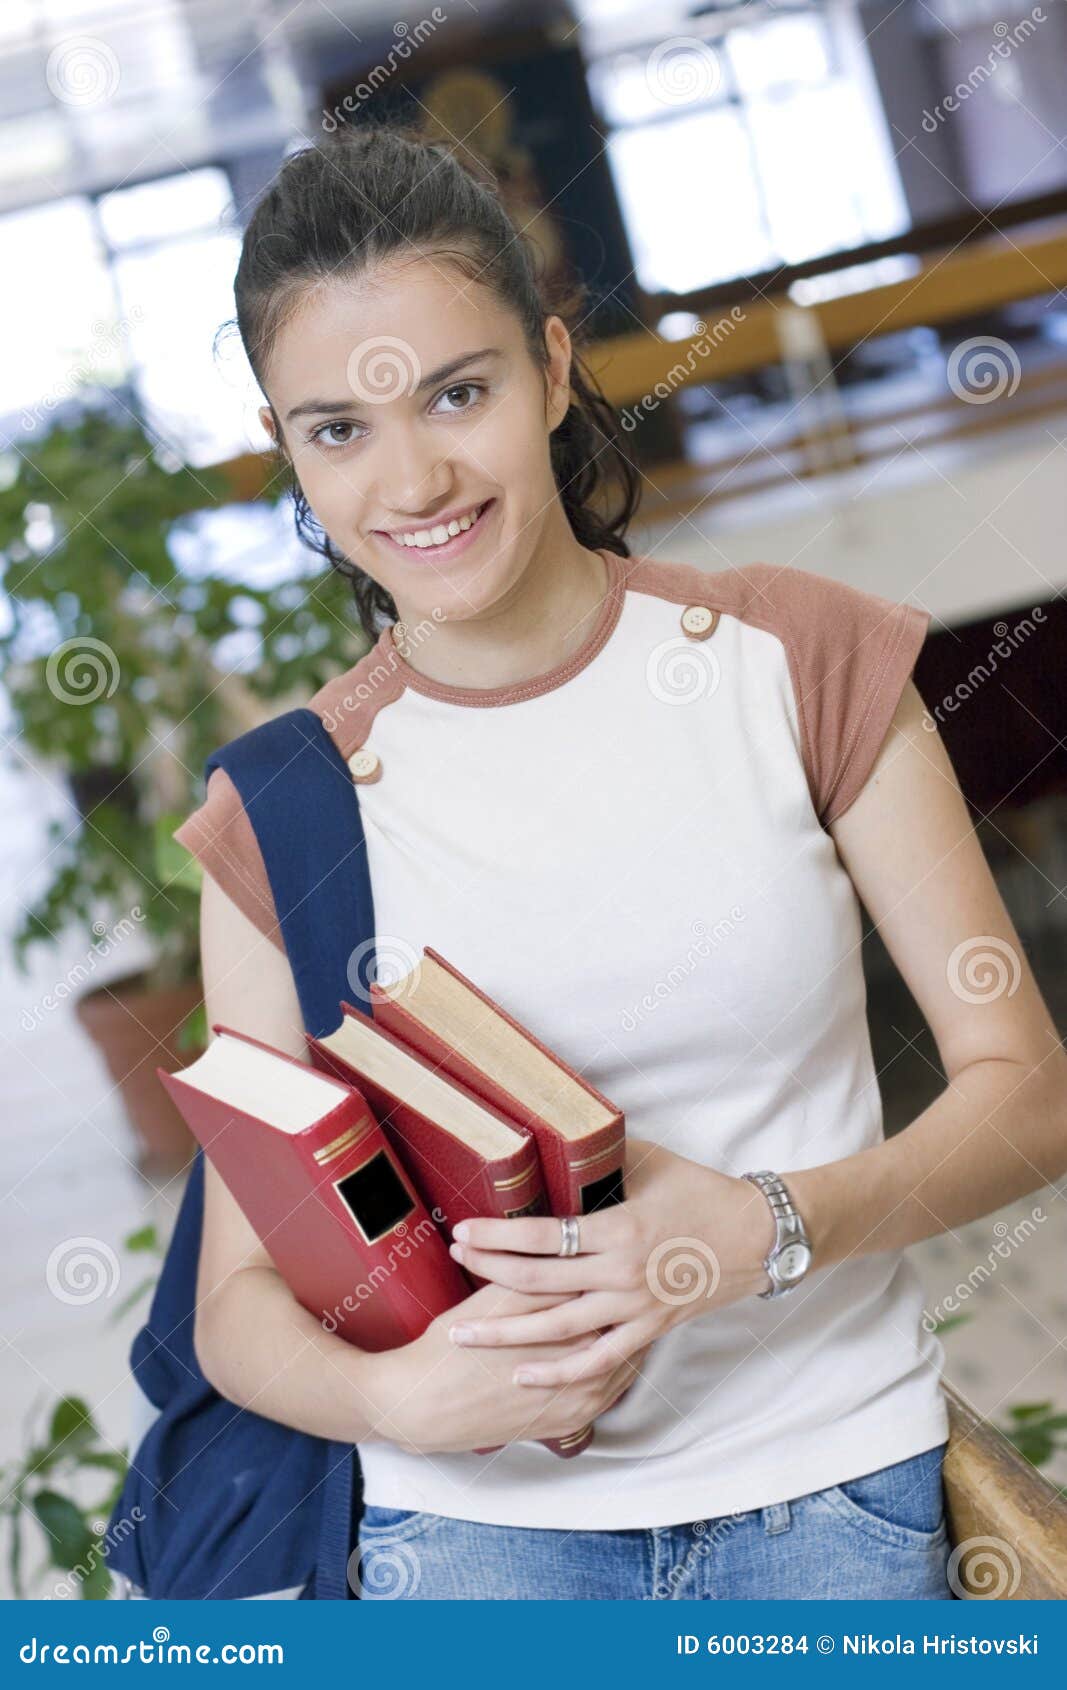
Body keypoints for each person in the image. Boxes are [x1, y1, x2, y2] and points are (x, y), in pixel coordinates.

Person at [177, 122, 1067, 1601]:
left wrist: (765, 1230)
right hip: (470, 1543)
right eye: (336, 427)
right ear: (287, 448)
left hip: (829, 1491)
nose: (410, 479)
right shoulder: (285, 808)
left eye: (457, 393)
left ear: (550, 365)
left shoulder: (796, 659)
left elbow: (1029, 1095)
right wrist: (399, 1401)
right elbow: (237, 1305)